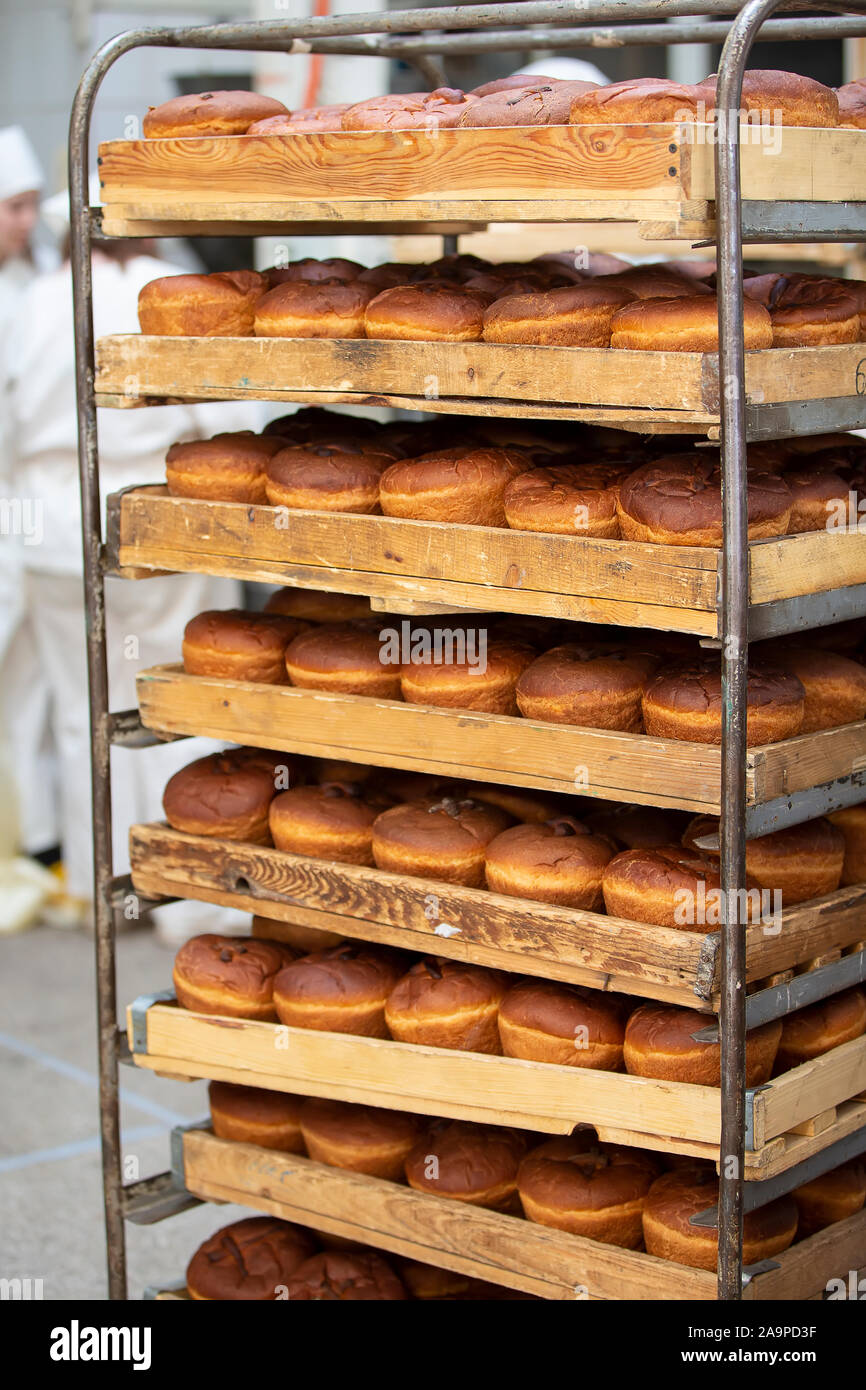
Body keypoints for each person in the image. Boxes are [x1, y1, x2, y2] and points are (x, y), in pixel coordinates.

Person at [2, 210, 259, 941]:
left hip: (54, 523)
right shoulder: (167, 292)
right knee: (188, 701)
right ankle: (195, 896)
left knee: (84, 705)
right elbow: (236, 416)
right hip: (163, 512)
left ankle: (106, 884)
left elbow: (7, 425)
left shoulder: (33, 303)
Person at [0, 128, 59, 863]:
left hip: (22, 509)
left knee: (32, 682)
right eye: (12, 207)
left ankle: (38, 837)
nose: (24, 223)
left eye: (30, 207)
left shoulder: (29, 288)